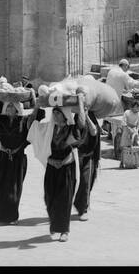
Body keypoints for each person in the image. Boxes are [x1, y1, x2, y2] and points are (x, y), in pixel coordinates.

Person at [28, 91, 92, 242]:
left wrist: (81, 103)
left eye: (58, 113)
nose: (55, 116)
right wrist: (36, 107)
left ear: (64, 115)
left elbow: (81, 126)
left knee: (64, 199)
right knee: (49, 198)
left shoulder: (71, 129)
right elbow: (31, 126)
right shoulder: (48, 128)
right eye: (54, 113)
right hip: (51, 168)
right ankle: (54, 224)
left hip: (66, 168)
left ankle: (64, 230)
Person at [0, 93, 34, 225]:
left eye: (12, 106)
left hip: (18, 157)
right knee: (0, 186)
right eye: (7, 106)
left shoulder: (24, 121)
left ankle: (12, 216)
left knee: (14, 187)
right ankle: (3, 216)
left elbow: (38, 117)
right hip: (4, 157)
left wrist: (34, 98)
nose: (9, 109)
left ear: (17, 108)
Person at [73, 105, 101, 222]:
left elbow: (94, 131)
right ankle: (82, 209)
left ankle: (83, 203)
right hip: (82, 154)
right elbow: (76, 133)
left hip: (92, 153)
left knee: (90, 179)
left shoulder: (91, 116)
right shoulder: (76, 118)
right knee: (85, 179)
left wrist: (87, 115)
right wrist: (82, 115)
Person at [119, 95, 139, 169]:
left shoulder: (138, 114)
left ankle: (137, 161)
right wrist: (128, 128)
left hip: (135, 130)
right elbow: (124, 122)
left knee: (137, 145)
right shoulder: (127, 112)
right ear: (133, 107)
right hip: (127, 130)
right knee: (125, 146)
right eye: (137, 107)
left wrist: (136, 131)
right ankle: (122, 162)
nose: (138, 108)